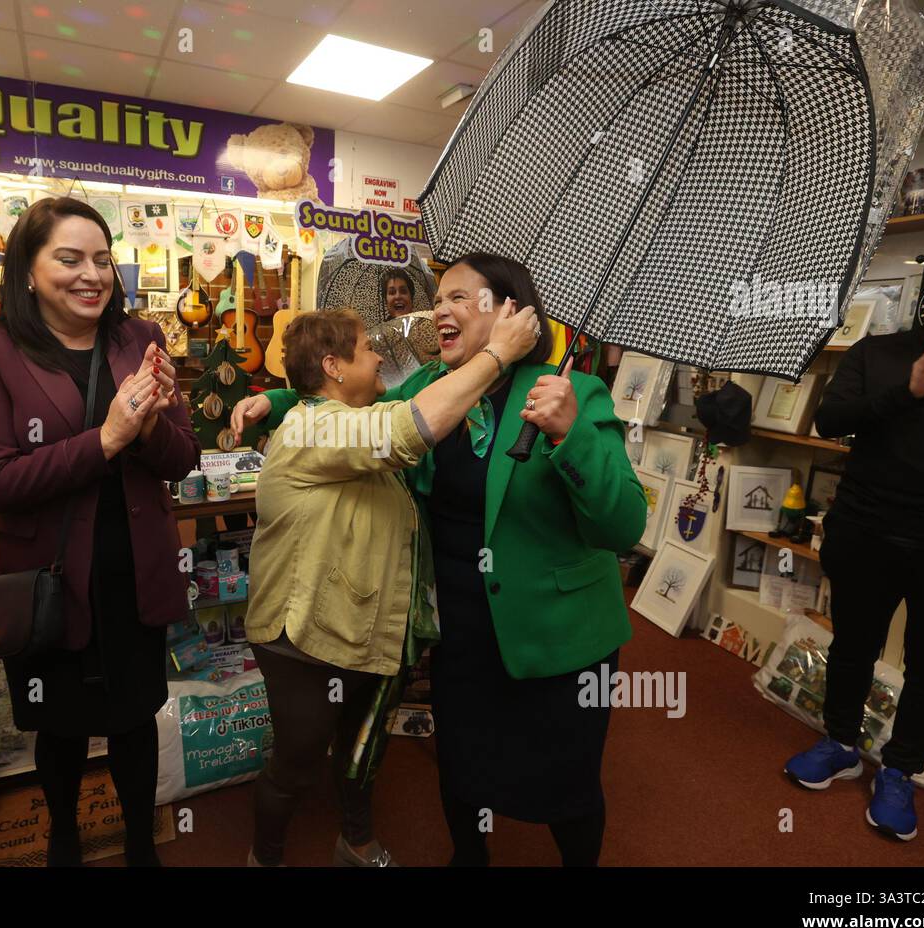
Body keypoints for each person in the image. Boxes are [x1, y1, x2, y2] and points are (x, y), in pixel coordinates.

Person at [234, 253, 646, 866]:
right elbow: (364, 403)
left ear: (507, 311)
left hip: (556, 636)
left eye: (459, 298)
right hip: (458, 627)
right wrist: (281, 396)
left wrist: (570, 434)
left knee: (568, 783)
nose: (438, 312)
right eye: (439, 297)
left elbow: (624, 524)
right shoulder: (433, 388)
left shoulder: (575, 392)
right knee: (462, 768)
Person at [244, 303, 540, 867]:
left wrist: (273, 395)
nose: (380, 354)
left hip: (360, 631)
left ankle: (353, 843)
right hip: (304, 638)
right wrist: (499, 351)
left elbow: (404, 401)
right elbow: (405, 430)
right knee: (295, 764)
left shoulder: (341, 413)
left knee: (360, 752)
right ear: (333, 366)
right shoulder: (313, 427)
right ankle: (265, 858)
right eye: (365, 347)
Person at [0, 198, 198, 866]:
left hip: (132, 570)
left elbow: (183, 458)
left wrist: (150, 430)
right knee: (58, 725)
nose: (91, 274)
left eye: (101, 259)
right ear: (28, 272)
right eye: (68, 259)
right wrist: (109, 437)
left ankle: (139, 847)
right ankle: (63, 834)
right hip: (48, 581)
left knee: (134, 717)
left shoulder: (137, 337)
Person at [784, 239, 924, 842]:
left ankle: (899, 771)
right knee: (853, 646)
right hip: (867, 533)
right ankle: (841, 742)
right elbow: (831, 420)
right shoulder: (877, 352)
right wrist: (913, 388)